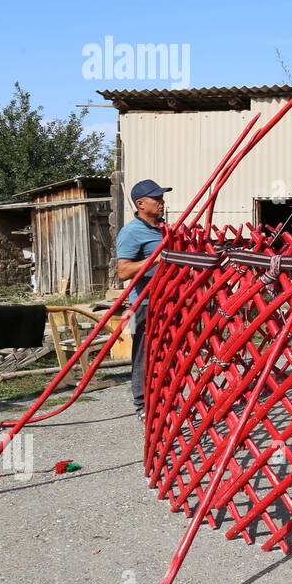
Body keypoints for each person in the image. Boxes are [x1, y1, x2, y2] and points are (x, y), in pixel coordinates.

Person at [116, 179, 171, 426]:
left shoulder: (164, 229)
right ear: (140, 204)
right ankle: (141, 404)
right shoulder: (130, 232)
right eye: (156, 198)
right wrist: (154, 260)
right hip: (145, 304)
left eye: (161, 197)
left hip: (169, 301)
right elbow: (124, 271)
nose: (161, 202)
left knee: (168, 351)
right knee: (143, 354)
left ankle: (166, 397)